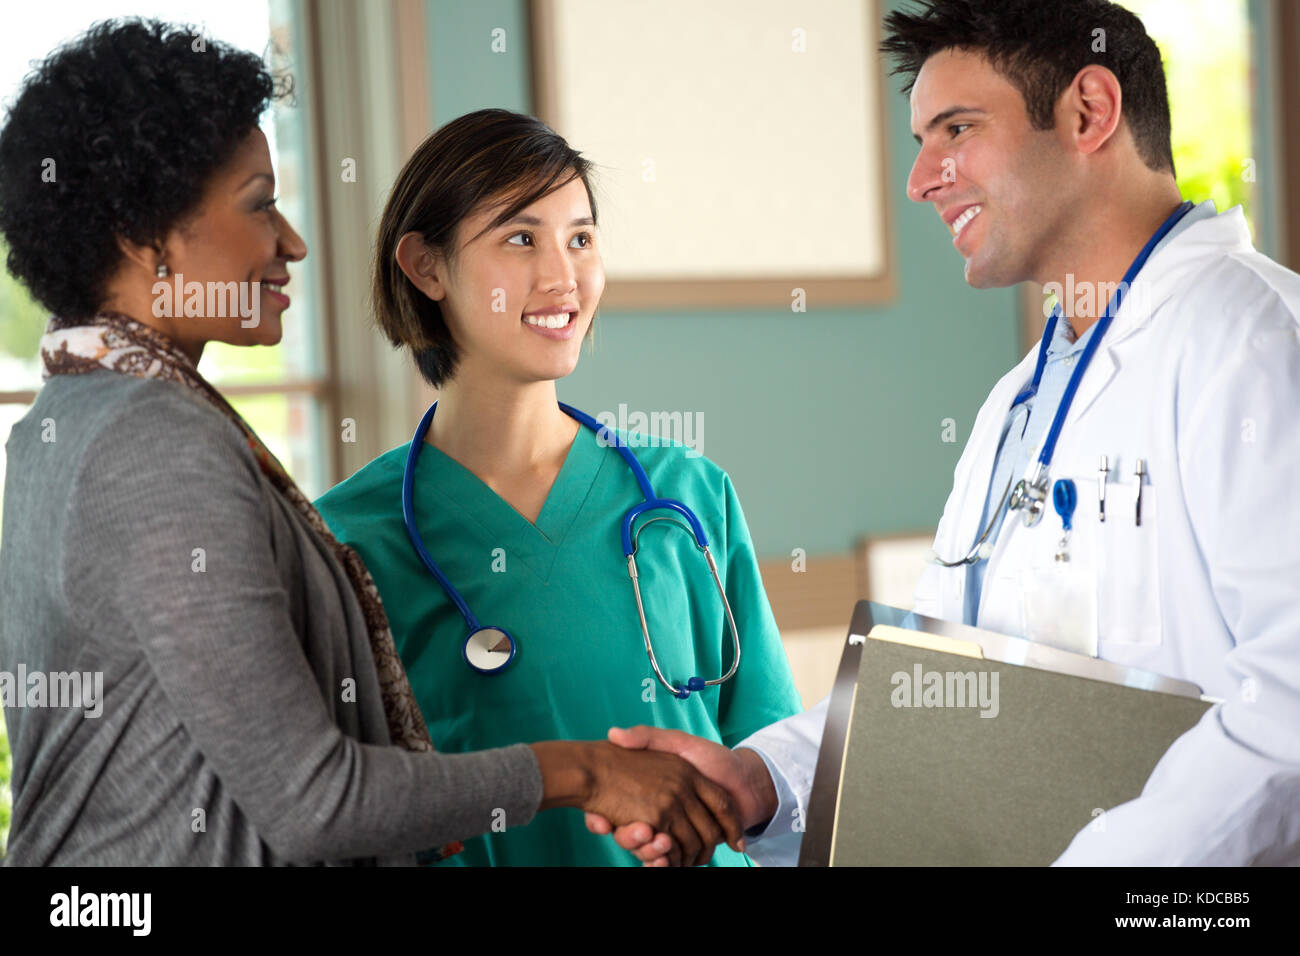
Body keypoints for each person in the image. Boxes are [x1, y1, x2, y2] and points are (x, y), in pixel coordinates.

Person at [0, 18, 743, 866]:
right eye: (258, 204)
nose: (292, 242)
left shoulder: (61, 424)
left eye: (580, 236)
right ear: (146, 236)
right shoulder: (152, 445)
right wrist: (586, 772)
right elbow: (319, 803)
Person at [588, 0, 1300, 866]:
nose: (923, 178)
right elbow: (930, 686)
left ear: (1089, 111)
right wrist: (762, 782)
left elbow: (1289, 705)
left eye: (956, 129)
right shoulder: (1016, 404)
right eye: (921, 141)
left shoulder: (1255, 342)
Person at [312, 108, 804, 866]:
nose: (562, 275)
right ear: (426, 267)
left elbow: (773, 766)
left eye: (580, 238)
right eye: (520, 238)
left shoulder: (688, 496)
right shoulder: (348, 541)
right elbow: (342, 807)